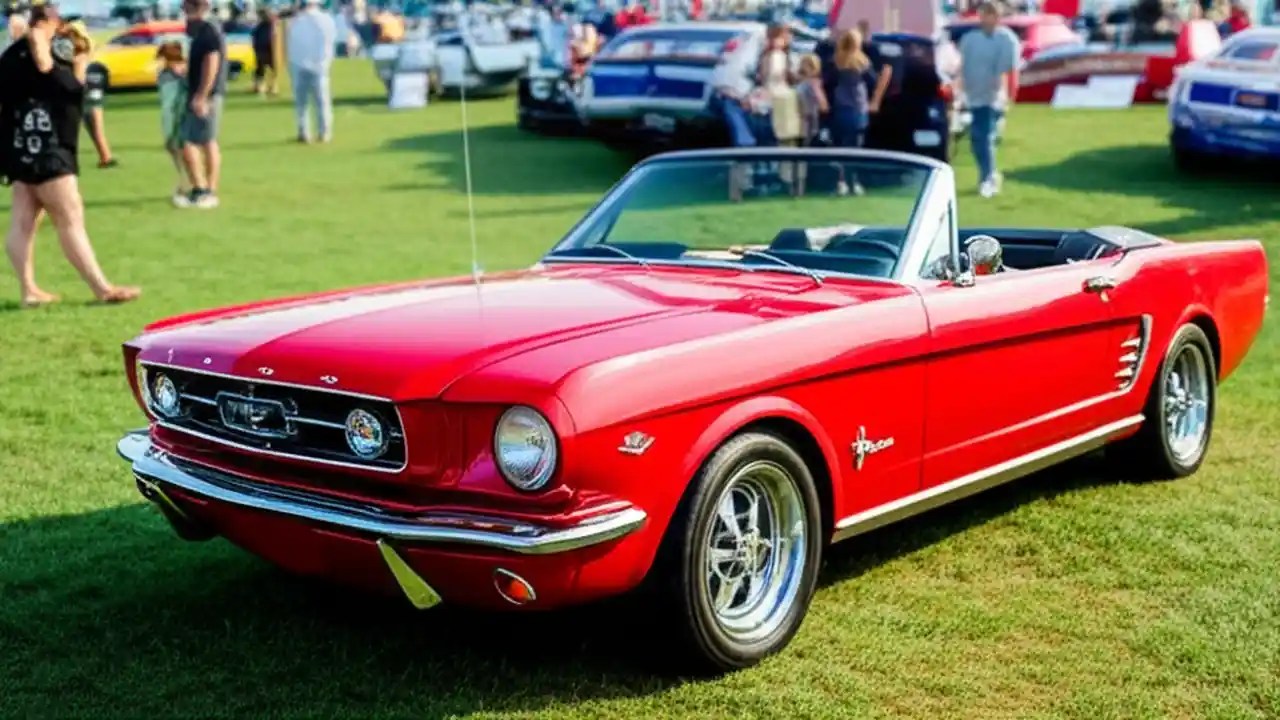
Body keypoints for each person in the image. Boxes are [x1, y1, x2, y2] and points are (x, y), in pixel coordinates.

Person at [0, 3, 139, 306]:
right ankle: (102, 289)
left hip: (21, 148)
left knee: (22, 222)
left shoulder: (9, 58)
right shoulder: (49, 56)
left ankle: (28, 290)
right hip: (52, 151)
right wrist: (81, 60)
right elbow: (71, 90)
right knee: (69, 218)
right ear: (51, 21)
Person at [956, 1, 1019, 198]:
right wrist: (960, 93)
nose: (984, 18)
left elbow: (1010, 71)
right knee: (977, 139)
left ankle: (988, 178)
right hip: (973, 95)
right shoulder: (970, 39)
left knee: (983, 136)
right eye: (982, 14)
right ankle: (988, 174)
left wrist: (1009, 97)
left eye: (988, 14)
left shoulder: (1007, 39)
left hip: (993, 96)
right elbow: (962, 68)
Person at [177, 0, 228, 209]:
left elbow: (212, 62)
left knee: (190, 142)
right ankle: (205, 189)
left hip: (205, 95)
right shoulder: (202, 31)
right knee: (206, 141)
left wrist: (202, 95)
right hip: (203, 93)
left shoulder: (208, 31)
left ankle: (203, 189)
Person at [287, 0, 335, 144]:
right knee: (321, 101)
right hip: (316, 64)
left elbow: (291, 42)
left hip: (301, 63)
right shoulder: (326, 20)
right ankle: (323, 132)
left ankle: (304, 131)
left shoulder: (296, 21)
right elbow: (329, 41)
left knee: (302, 102)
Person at [157, 40, 191, 203]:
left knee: (180, 149)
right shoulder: (167, 73)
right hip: (174, 114)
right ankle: (185, 181)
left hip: (179, 115)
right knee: (176, 149)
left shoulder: (175, 74)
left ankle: (186, 183)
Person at [81, 36, 118, 169]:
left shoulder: (93, 66)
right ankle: (104, 157)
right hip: (91, 99)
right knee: (94, 129)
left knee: (96, 129)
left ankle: (106, 157)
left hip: (91, 100)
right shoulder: (94, 66)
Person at [250, 7, 279, 96]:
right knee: (263, 68)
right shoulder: (263, 25)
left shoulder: (270, 25)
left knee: (267, 68)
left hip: (267, 49)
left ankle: (269, 87)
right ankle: (261, 86)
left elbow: (255, 36)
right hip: (263, 49)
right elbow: (254, 36)